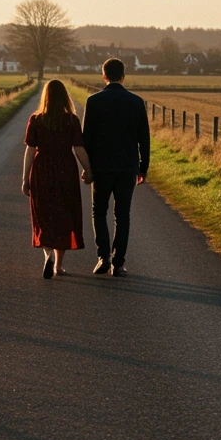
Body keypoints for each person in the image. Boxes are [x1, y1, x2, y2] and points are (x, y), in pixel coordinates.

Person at [80, 58, 150, 277]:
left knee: (99, 212)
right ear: (123, 76)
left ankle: (103, 257)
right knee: (123, 215)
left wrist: (87, 167)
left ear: (104, 76)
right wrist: (143, 168)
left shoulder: (93, 102)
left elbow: (86, 139)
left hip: (101, 167)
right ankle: (119, 263)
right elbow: (144, 139)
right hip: (127, 167)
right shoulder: (137, 102)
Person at [21, 79, 93, 279]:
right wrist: (89, 170)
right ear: (64, 97)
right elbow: (79, 149)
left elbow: (30, 150)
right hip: (65, 169)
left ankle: (48, 254)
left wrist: (25, 178)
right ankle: (58, 266)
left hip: (41, 168)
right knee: (64, 214)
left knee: (43, 214)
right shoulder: (71, 120)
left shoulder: (36, 119)